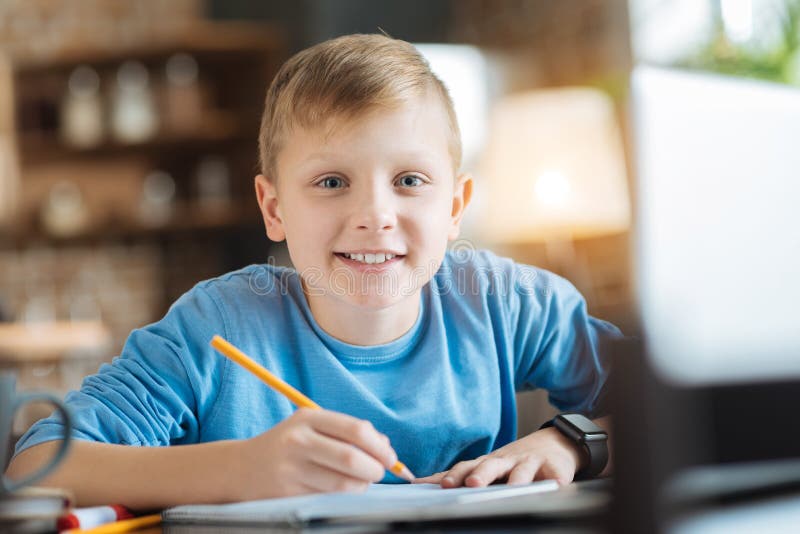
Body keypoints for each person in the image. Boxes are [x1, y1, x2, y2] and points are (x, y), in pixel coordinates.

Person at [6, 34, 618, 509]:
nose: (374, 216)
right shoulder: (216, 325)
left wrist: (572, 440)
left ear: (454, 206)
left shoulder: (504, 301)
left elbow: (683, 407)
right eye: (331, 182)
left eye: (409, 181)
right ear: (274, 209)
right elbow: (35, 468)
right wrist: (239, 469)